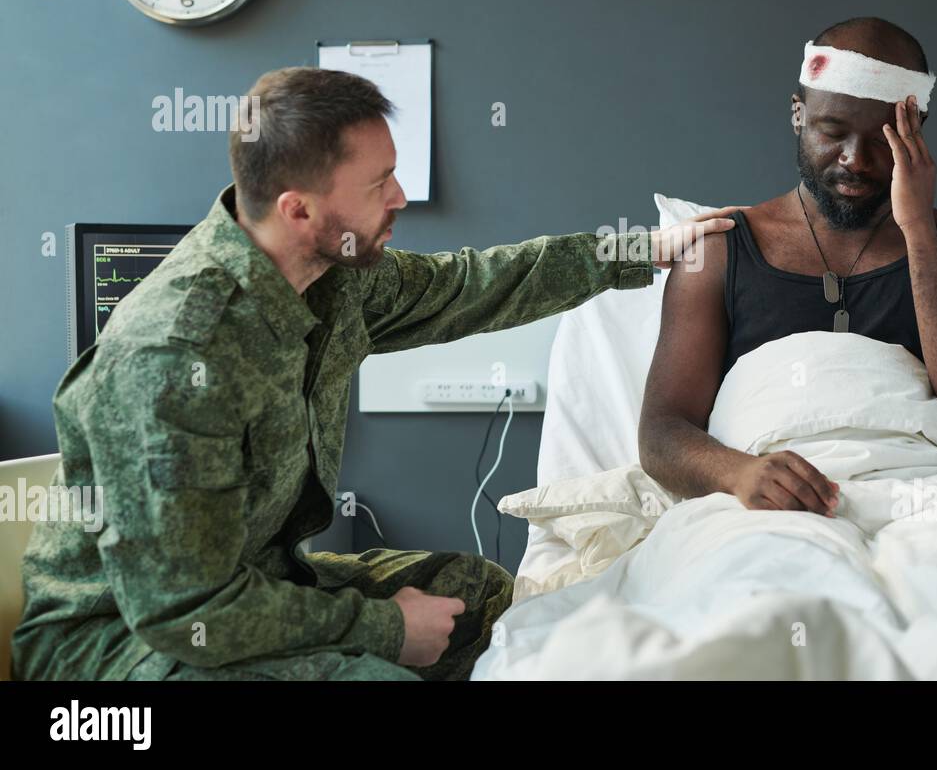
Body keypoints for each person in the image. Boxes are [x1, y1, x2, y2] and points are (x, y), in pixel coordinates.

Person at [14, 66, 739, 681]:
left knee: (476, 595)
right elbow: (184, 610)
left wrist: (638, 250)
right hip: (116, 641)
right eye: (381, 181)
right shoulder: (176, 356)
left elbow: (472, 283)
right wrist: (384, 629)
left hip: (251, 585)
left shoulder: (334, 280)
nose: (400, 198)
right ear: (299, 210)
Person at [639, 17, 937, 517]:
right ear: (798, 114)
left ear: (916, 133)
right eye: (833, 131)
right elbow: (661, 433)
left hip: (935, 500)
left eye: (882, 140)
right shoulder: (717, 252)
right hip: (766, 509)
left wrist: (918, 233)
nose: (855, 159)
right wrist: (739, 474)